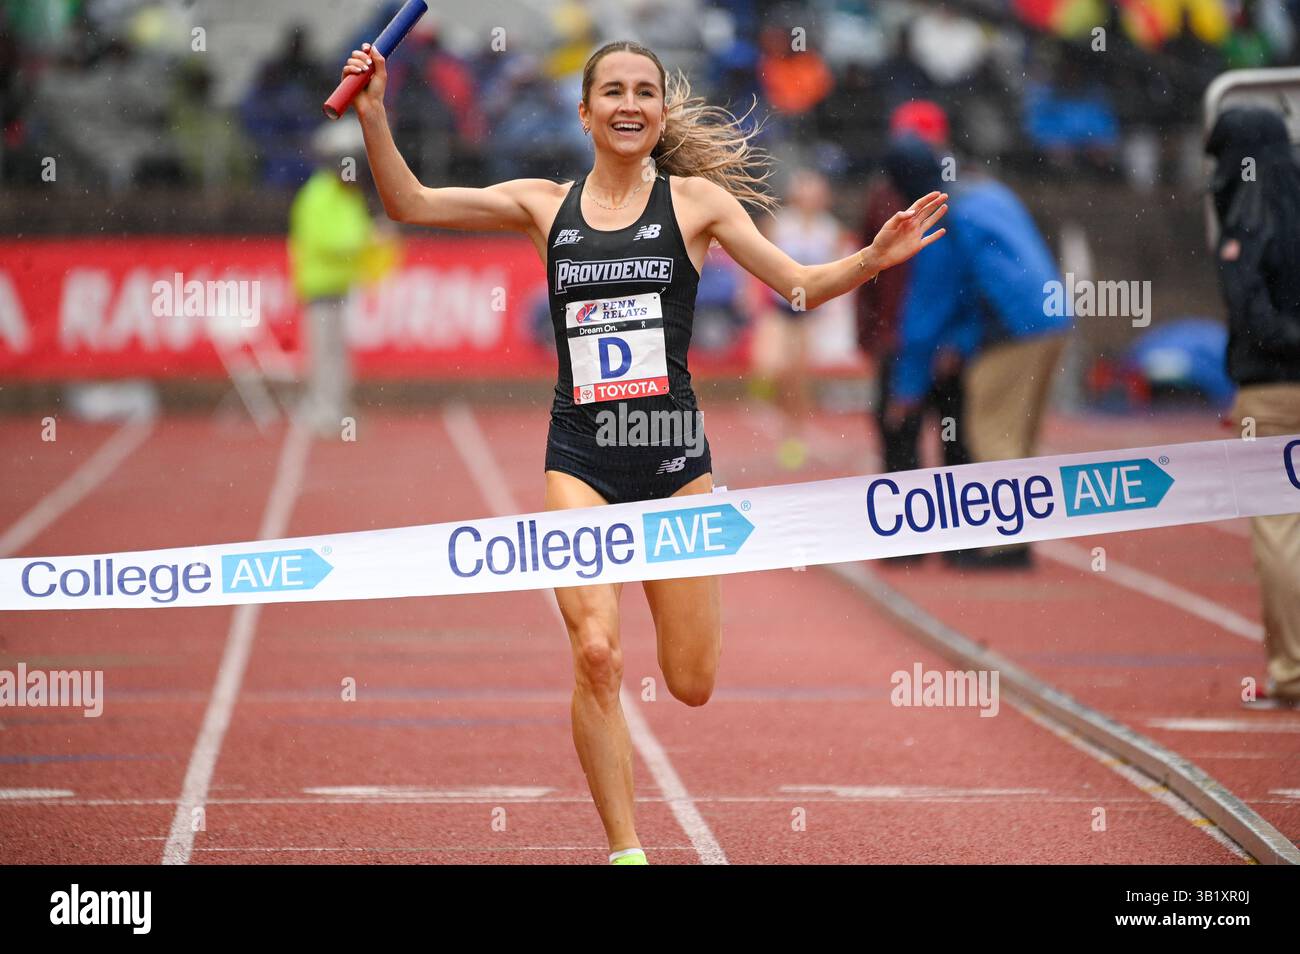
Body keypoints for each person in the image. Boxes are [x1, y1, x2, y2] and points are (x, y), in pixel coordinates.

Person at [342, 38, 947, 863]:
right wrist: (376, 112)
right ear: (585, 112)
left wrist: (873, 259)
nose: (630, 104)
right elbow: (410, 202)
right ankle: (628, 851)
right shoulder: (542, 205)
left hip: (672, 464)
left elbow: (797, 286)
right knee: (595, 652)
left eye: (645, 92)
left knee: (691, 682)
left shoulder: (697, 204)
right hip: (580, 461)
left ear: (660, 112)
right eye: (613, 92)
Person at [883, 136, 1069, 570]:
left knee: (992, 434)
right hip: (1051, 319)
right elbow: (990, 275)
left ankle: (1006, 548)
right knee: (1020, 437)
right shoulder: (988, 191)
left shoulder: (944, 217)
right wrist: (963, 341)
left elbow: (930, 308)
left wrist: (907, 388)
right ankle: (1018, 536)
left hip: (1013, 330)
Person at [1205, 106, 1300, 710]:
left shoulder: (1246, 214)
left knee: (1280, 531)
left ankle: (1292, 672)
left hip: (1272, 389)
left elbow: (1254, 318)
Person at [858, 104, 970, 563]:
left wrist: (958, 340)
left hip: (934, 338)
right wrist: (871, 335)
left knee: (952, 437)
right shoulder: (882, 201)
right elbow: (864, 267)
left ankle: (957, 539)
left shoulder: (956, 202)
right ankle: (911, 538)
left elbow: (964, 277)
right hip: (901, 339)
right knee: (901, 434)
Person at [755, 167, 855, 469]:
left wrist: (831, 309)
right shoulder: (779, 224)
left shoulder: (831, 230)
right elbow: (756, 259)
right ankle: (772, 404)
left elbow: (840, 271)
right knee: (768, 368)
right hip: (779, 310)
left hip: (807, 315)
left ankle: (793, 435)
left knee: (797, 378)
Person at [289, 119, 376, 435]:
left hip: (340, 287)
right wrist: (364, 242)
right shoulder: (317, 195)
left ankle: (337, 408)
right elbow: (325, 240)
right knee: (322, 355)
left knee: (338, 355)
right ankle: (321, 410)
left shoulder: (347, 195)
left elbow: (359, 231)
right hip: (319, 289)